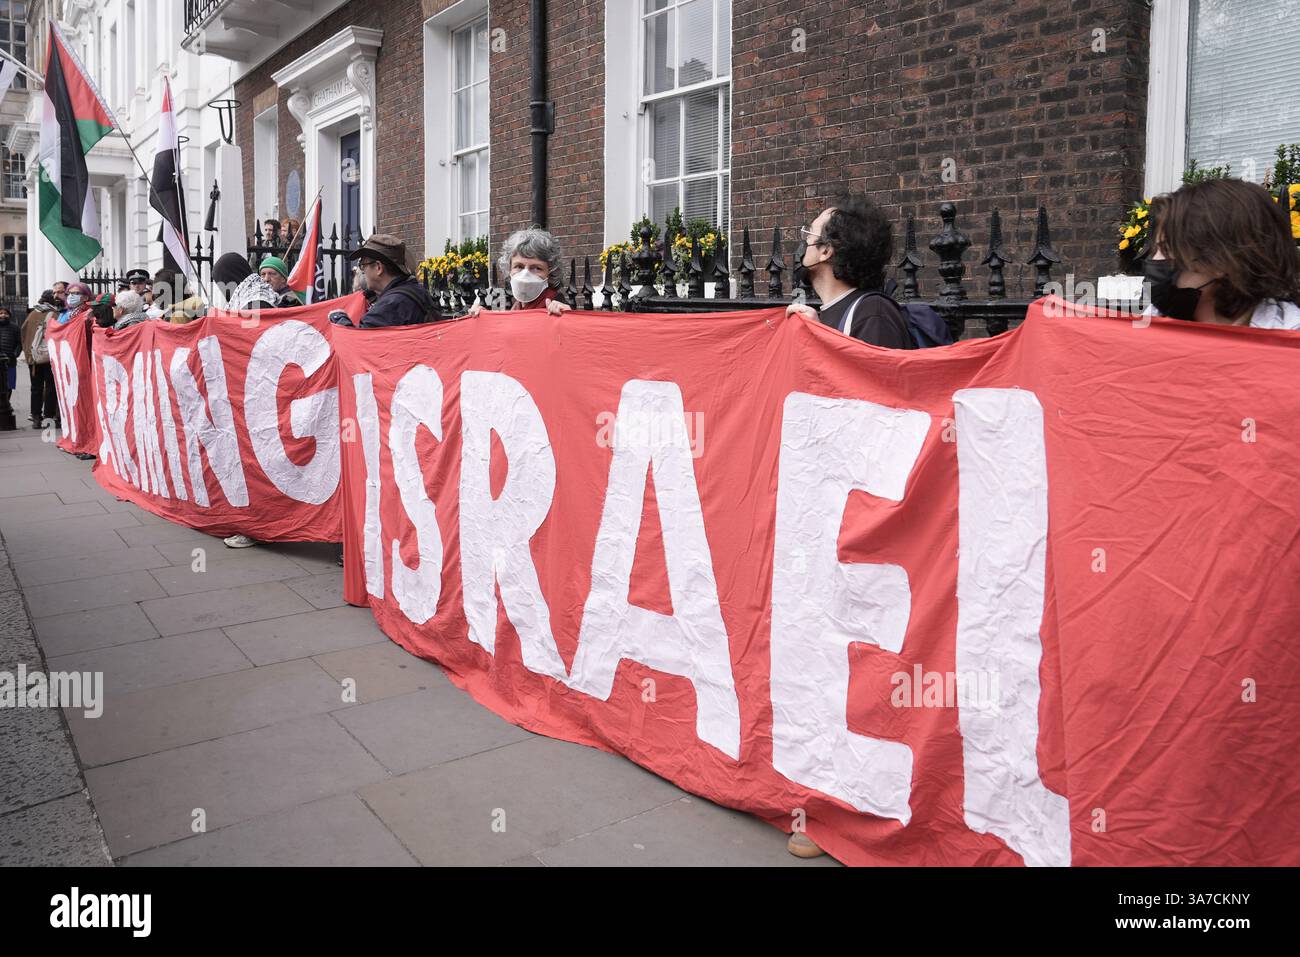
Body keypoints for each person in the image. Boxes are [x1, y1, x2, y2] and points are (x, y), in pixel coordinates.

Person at [1144, 178, 1300, 329]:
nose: (1154, 259)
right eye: (1155, 250)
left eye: (1167, 249)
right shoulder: (1149, 324)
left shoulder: (1290, 340)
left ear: (1220, 260)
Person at [785, 195, 915, 349]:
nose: (805, 241)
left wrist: (820, 341)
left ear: (826, 250)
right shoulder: (825, 313)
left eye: (809, 234)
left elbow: (873, 373)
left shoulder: (874, 314)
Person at [468, 228, 572, 317]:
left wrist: (567, 317)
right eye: (519, 266)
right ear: (510, 269)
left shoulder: (556, 305)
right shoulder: (517, 306)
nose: (525, 274)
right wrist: (483, 319)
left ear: (551, 272)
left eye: (536, 268)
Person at [342, 233, 439, 327]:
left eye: (363, 265)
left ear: (378, 267)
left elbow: (358, 339)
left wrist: (339, 319)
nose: (362, 271)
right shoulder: (416, 291)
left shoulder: (391, 304)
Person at [23, 291, 61, 429]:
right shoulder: (54, 314)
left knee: (36, 388)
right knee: (50, 387)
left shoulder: (32, 314)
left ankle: (36, 417)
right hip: (49, 356)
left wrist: (29, 355)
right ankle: (49, 417)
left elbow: (24, 333)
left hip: (34, 357)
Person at [0, 308, 22, 408]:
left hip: (10, 361)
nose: (3, 315)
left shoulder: (15, 328)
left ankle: (6, 403)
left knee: (9, 384)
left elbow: (19, 343)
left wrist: (15, 354)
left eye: (5, 313)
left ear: (9, 315)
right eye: (0, 313)